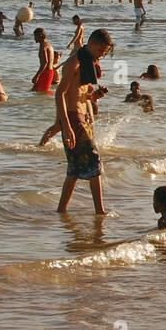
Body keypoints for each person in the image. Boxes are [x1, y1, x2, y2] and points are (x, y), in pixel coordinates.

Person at [55, 28, 114, 214]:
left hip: (80, 117)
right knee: (94, 162)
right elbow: (60, 93)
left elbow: (81, 95)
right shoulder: (75, 61)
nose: (102, 55)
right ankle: (100, 211)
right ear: (90, 44)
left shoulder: (87, 63)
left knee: (74, 169)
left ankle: (61, 210)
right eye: (100, 51)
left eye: (105, 53)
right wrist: (66, 126)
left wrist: (94, 96)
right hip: (73, 119)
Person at [32, 28, 57, 93]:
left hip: (46, 72)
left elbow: (45, 62)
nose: (34, 38)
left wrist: (37, 75)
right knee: (35, 90)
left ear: (40, 36)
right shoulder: (48, 45)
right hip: (48, 72)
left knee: (42, 92)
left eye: (35, 36)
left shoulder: (43, 46)